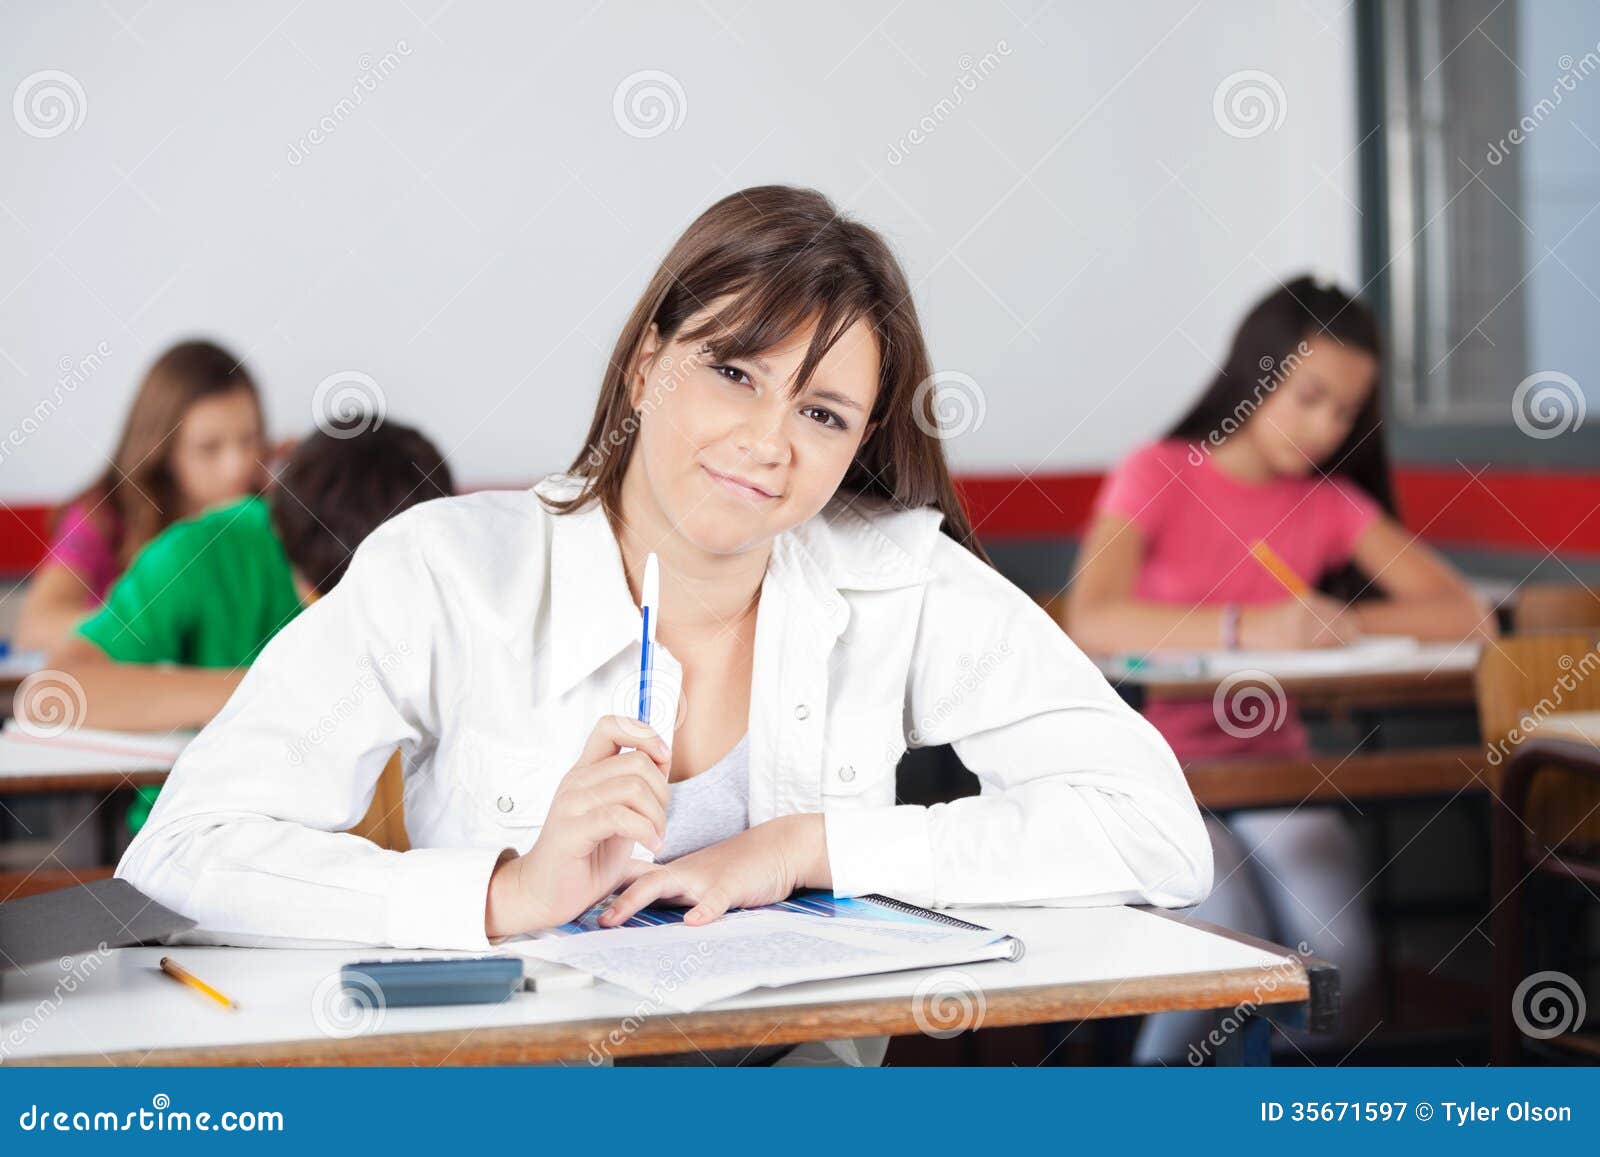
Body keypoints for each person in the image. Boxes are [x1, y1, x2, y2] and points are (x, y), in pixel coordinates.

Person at [117, 185, 1211, 1067]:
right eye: (734, 371)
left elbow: (1156, 831)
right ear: (647, 365)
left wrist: (803, 847)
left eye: (821, 411)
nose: (767, 441)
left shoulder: (900, 577)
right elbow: (182, 851)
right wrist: (504, 890)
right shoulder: (449, 568)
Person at [1065, 276, 1493, 1060]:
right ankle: (1151, 1098)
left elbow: (1464, 615)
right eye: (1310, 396)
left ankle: (1276, 1108)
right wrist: (1250, 627)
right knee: (1235, 948)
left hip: (1273, 770)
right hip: (1155, 775)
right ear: (1258, 374)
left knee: (1348, 967)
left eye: (1345, 409)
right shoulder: (1158, 471)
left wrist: (1343, 620)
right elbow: (1090, 615)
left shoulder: (1329, 504)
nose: (1326, 426)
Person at [39, 421, 453, 831]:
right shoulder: (203, 552)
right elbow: (53, 690)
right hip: (208, 843)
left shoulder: (448, 567)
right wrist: (271, 690)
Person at [15, 340, 267, 653]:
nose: (237, 466)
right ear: (162, 449)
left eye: (249, 439)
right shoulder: (103, 516)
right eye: (209, 448)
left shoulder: (270, 509)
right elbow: (36, 626)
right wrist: (150, 624)